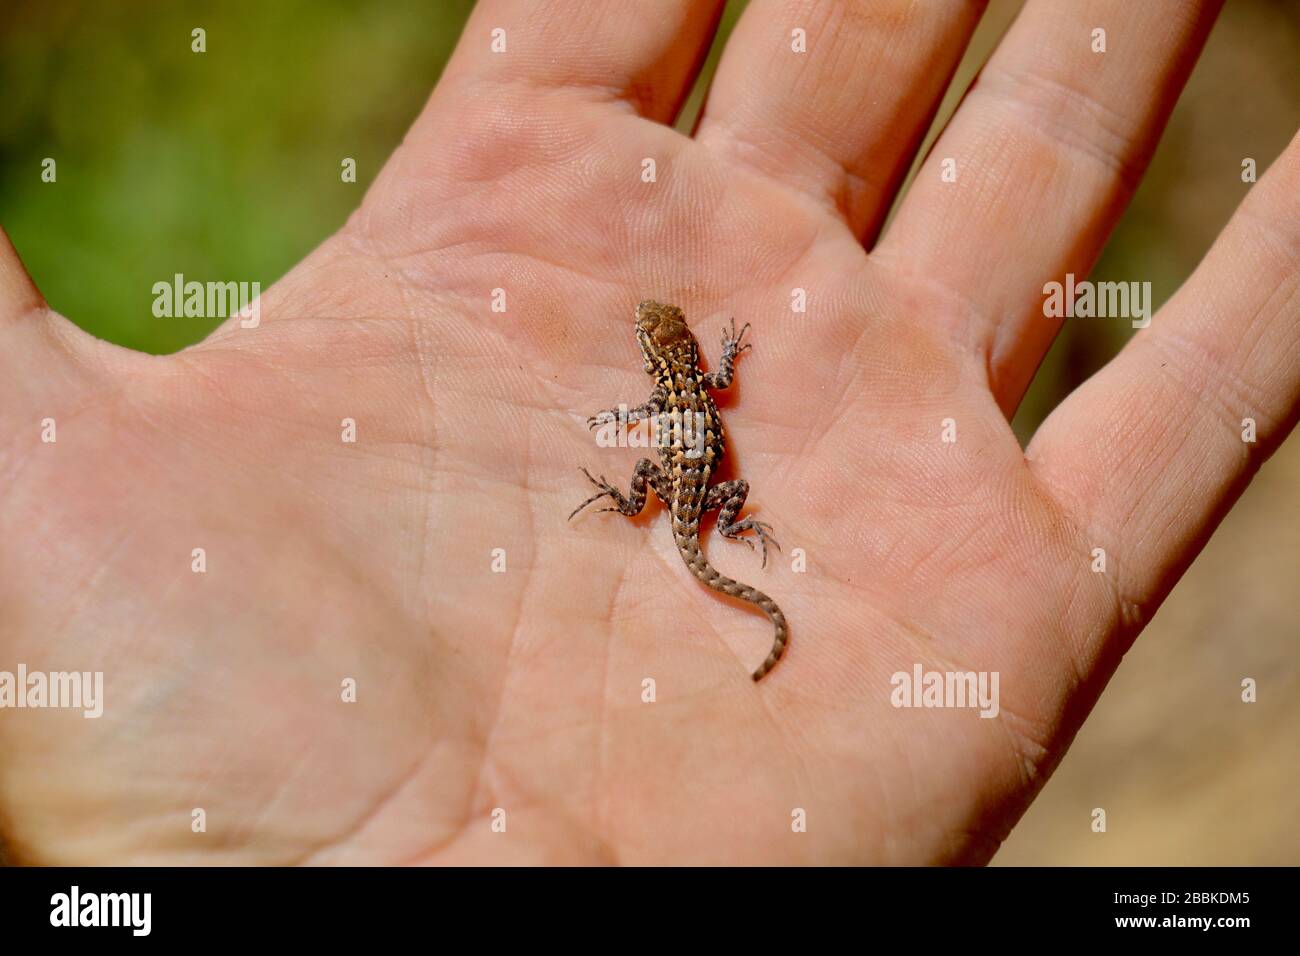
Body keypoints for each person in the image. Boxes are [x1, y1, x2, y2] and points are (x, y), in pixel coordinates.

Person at [0, 0, 1294, 865]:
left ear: (663, 364)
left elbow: (701, 409)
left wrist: (663, 476)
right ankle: (742, 585)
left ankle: (729, 577)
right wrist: (711, 455)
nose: (679, 357)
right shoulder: (692, 409)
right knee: (700, 518)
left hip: (679, 499)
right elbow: (714, 402)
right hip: (694, 504)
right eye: (680, 350)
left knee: (675, 507)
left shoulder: (677, 412)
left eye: (676, 351)